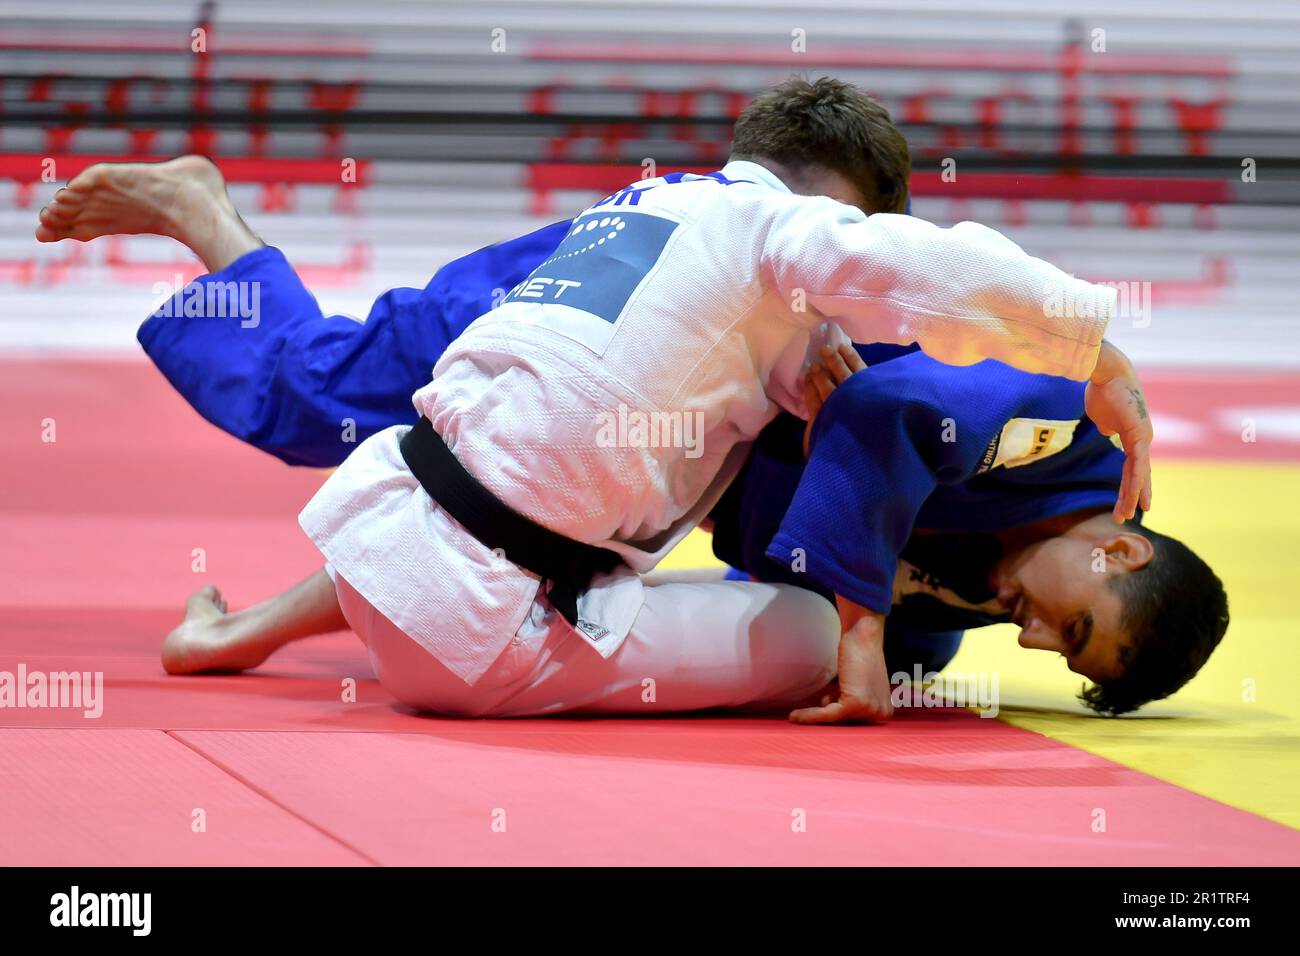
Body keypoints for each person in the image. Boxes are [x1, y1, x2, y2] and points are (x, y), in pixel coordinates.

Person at [35, 77, 1147, 722]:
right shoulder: (811, 255)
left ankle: (241, 627)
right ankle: (210, 221)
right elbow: (910, 294)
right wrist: (1094, 341)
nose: (1038, 635)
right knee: (323, 395)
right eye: (1078, 627)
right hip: (562, 302)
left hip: (598, 395)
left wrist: (791, 373)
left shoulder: (948, 600)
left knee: (508, 489)